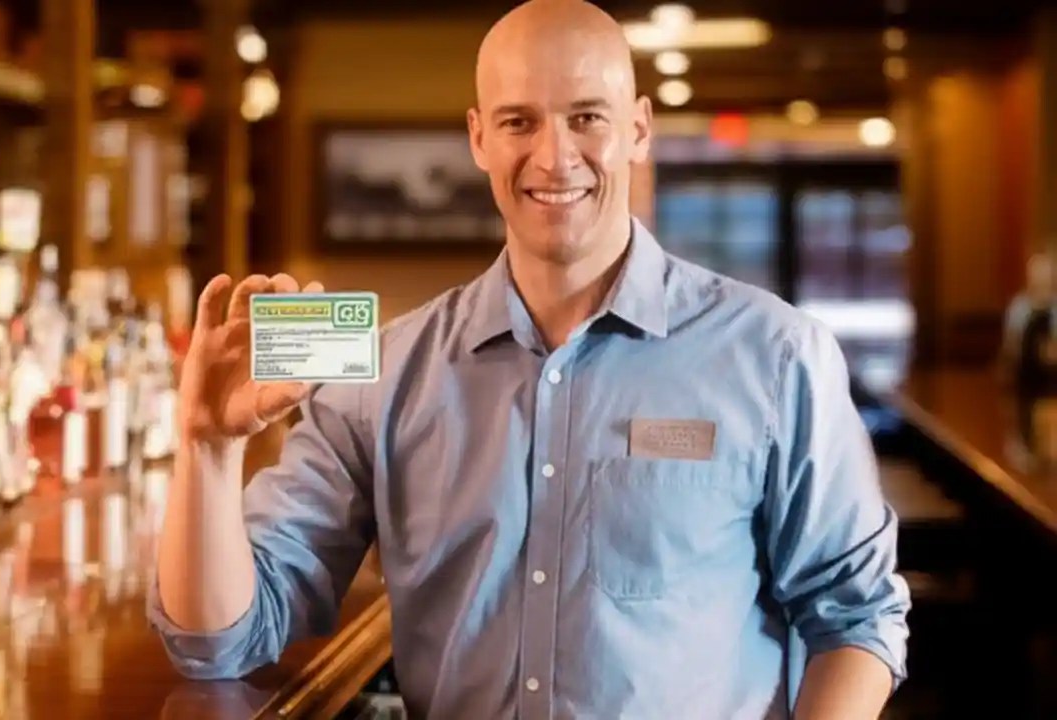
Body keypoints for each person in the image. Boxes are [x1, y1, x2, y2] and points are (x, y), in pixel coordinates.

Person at [149, 0, 911, 717]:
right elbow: (219, 641)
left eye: (587, 117)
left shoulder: (775, 355)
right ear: (479, 138)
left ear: (638, 130)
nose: (554, 156)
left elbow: (858, 615)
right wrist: (208, 450)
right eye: (520, 121)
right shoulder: (381, 377)